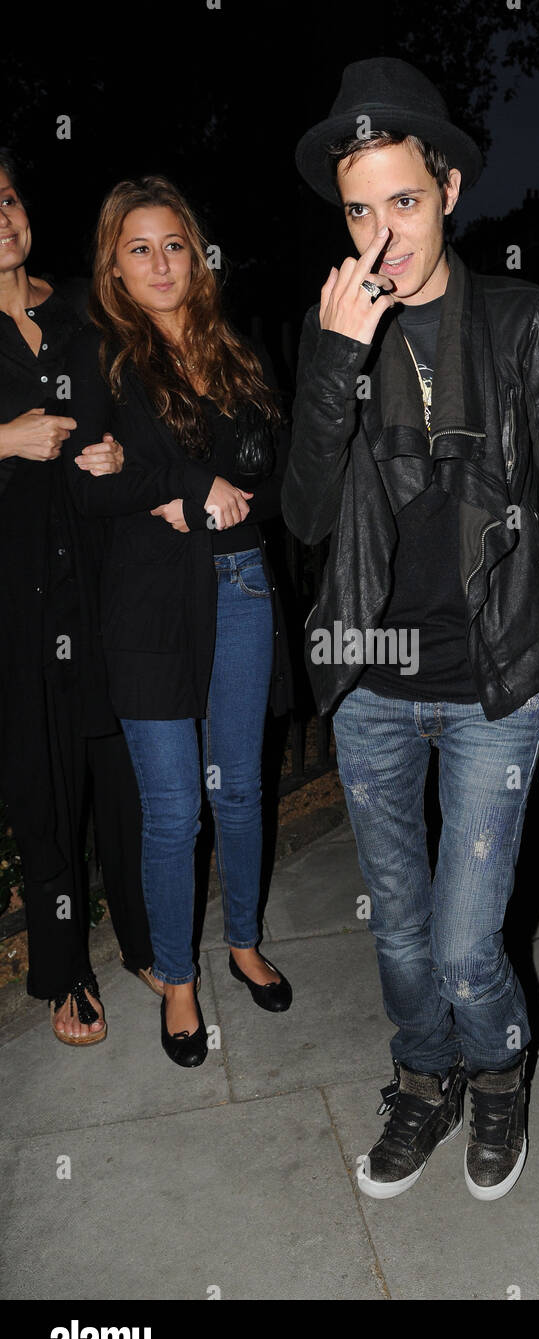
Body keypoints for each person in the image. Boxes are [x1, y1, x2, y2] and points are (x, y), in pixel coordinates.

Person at [283, 58, 539, 1200]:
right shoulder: (335, 329)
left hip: (495, 682)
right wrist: (333, 360)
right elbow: (307, 516)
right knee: (400, 936)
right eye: (358, 209)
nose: (382, 235)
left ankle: (501, 1075)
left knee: (470, 947)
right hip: (371, 681)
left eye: (403, 201)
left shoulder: (520, 321)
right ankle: (422, 1081)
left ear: (450, 189)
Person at [63, 176, 293, 1068]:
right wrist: (185, 487)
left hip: (239, 588)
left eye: (174, 245)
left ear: (197, 256)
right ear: (114, 267)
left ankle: (241, 941)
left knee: (238, 789)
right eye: (139, 248)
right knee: (171, 811)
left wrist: (183, 491)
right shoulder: (101, 357)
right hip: (150, 606)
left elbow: (276, 487)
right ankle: (178, 979)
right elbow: (88, 482)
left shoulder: (237, 352)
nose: (161, 263)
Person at [0, 147, 156, 1046]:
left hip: (101, 580)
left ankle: (142, 938)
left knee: (122, 772)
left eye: (10, 198)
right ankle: (66, 972)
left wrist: (121, 457)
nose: (4, 217)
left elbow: (129, 423)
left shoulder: (79, 320)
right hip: (19, 602)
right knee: (44, 786)